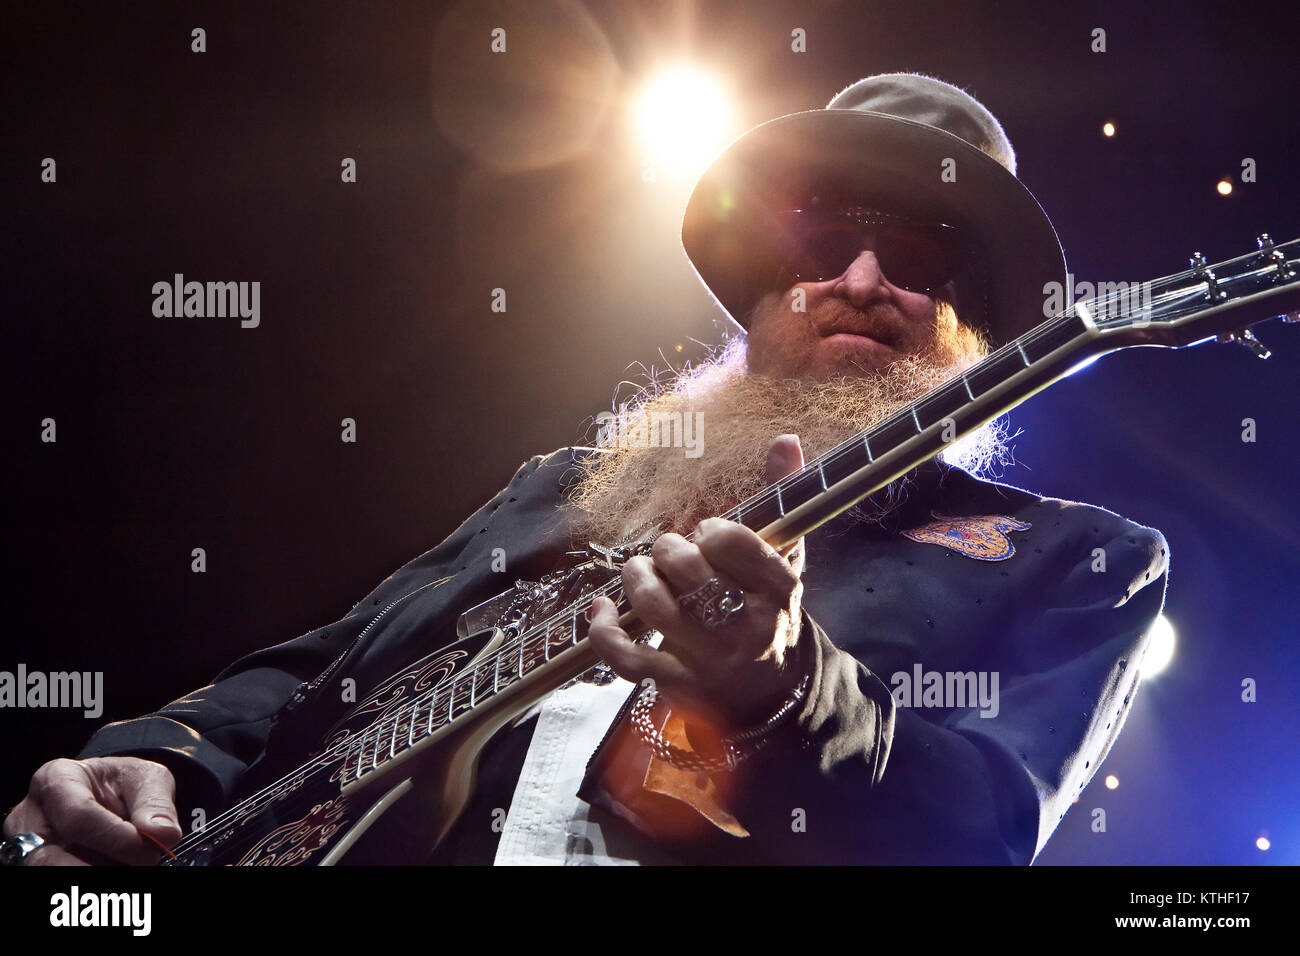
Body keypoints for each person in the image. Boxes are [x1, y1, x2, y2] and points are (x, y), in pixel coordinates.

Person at [1, 73, 1169, 867]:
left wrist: (789, 688)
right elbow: (316, 670)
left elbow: (978, 830)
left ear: (974, 330)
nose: (858, 281)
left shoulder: (1074, 557)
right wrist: (144, 759)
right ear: (763, 294)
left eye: (916, 254)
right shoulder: (567, 483)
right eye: (821, 243)